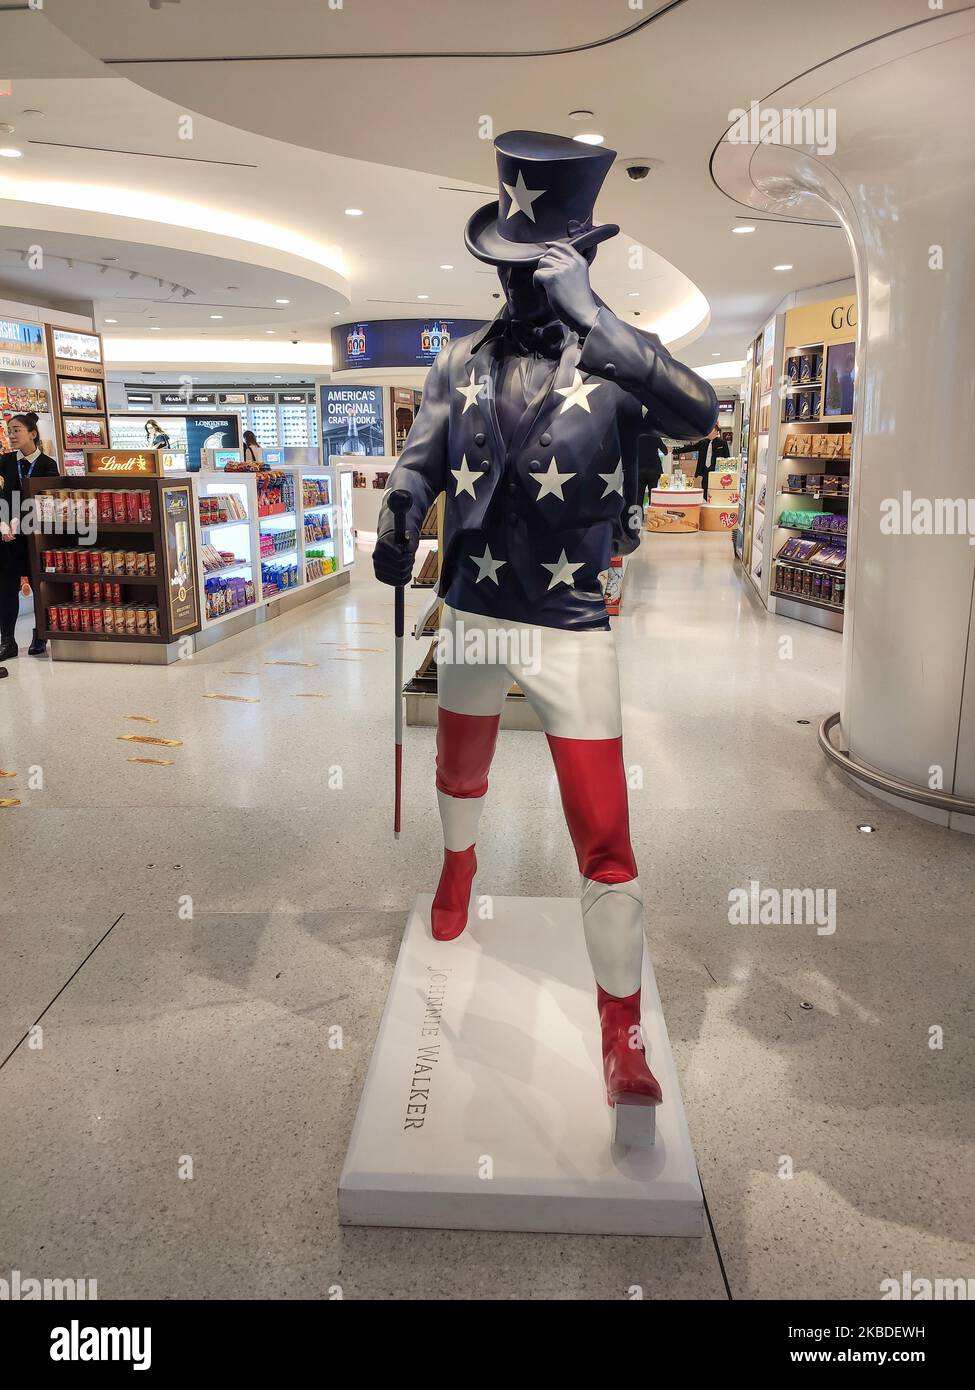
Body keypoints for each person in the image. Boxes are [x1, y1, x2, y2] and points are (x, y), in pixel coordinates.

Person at [373, 130, 717, 1143]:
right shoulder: (458, 366)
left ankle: (622, 1030)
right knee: (460, 762)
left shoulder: (619, 365)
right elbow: (420, 460)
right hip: (477, 601)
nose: (518, 287)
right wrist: (399, 506)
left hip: (570, 619)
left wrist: (601, 324)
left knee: (604, 828)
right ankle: (457, 865)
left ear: (580, 261)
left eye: (539, 269)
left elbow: (701, 411)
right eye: (506, 269)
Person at [0, 412, 59, 663]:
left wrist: (22, 519)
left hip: (35, 536)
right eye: (9, 430)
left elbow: (49, 503)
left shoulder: (47, 464)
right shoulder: (4, 462)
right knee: (5, 588)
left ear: (32, 433)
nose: (11, 435)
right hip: (8, 537)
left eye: (17, 430)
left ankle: (40, 636)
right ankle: (7, 641)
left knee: (40, 587)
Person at [686, 424, 730, 499]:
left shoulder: (722, 443)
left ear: (716, 431)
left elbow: (727, 458)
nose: (708, 432)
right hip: (705, 471)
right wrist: (674, 451)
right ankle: (706, 504)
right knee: (705, 490)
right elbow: (690, 448)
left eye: (711, 430)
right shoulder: (703, 442)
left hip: (716, 473)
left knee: (715, 491)